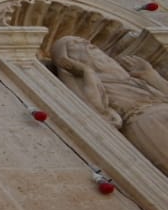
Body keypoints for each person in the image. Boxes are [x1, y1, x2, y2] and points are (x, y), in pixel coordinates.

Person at [50, 35, 168, 174]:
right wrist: (87, 72)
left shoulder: (131, 77)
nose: (89, 43)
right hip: (150, 121)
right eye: (77, 44)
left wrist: (151, 76)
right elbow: (95, 109)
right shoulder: (95, 83)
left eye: (88, 43)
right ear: (71, 59)